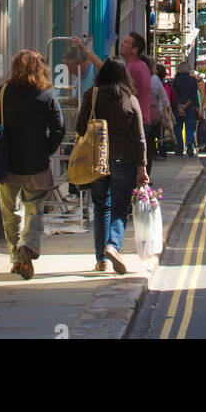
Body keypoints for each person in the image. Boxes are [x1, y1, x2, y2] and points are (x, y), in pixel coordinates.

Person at [0, 49, 65, 282]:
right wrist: (46, 149)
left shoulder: (4, 93)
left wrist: (2, 147)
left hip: (7, 165)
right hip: (36, 164)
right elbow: (59, 129)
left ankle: (16, 259)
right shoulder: (47, 95)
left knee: (9, 213)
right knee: (34, 210)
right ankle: (28, 245)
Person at [76, 57, 148, 273]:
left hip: (97, 161)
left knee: (101, 207)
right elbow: (140, 137)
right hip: (123, 160)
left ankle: (102, 260)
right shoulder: (130, 99)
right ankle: (113, 245)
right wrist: (142, 166)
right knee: (120, 206)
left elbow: (80, 128)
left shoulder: (92, 96)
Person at [120, 32, 154, 172]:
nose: (122, 43)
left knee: (129, 171)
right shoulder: (142, 66)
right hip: (143, 120)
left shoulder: (131, 68)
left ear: (134, 50)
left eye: (127, 42)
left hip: (134, 123)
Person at [170, 60, 197, 156]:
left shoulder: (176, 80)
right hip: (189, 107)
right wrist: (185, 105)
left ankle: (179, 148)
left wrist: (179, 106)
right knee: (189, 127)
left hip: (178, 107)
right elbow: (194, 96)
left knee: (178, 128)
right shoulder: (193, 80)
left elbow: (174, 95)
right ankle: (189, 142)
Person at [150, 63, 170, 161]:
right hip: (154, 111)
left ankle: (152, 153)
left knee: (149, 134)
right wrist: (166, 110)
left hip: (142, 111)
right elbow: (164, 98)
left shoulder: (148, 77)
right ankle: (162, 153)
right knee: (159, 132)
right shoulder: (154, 79)